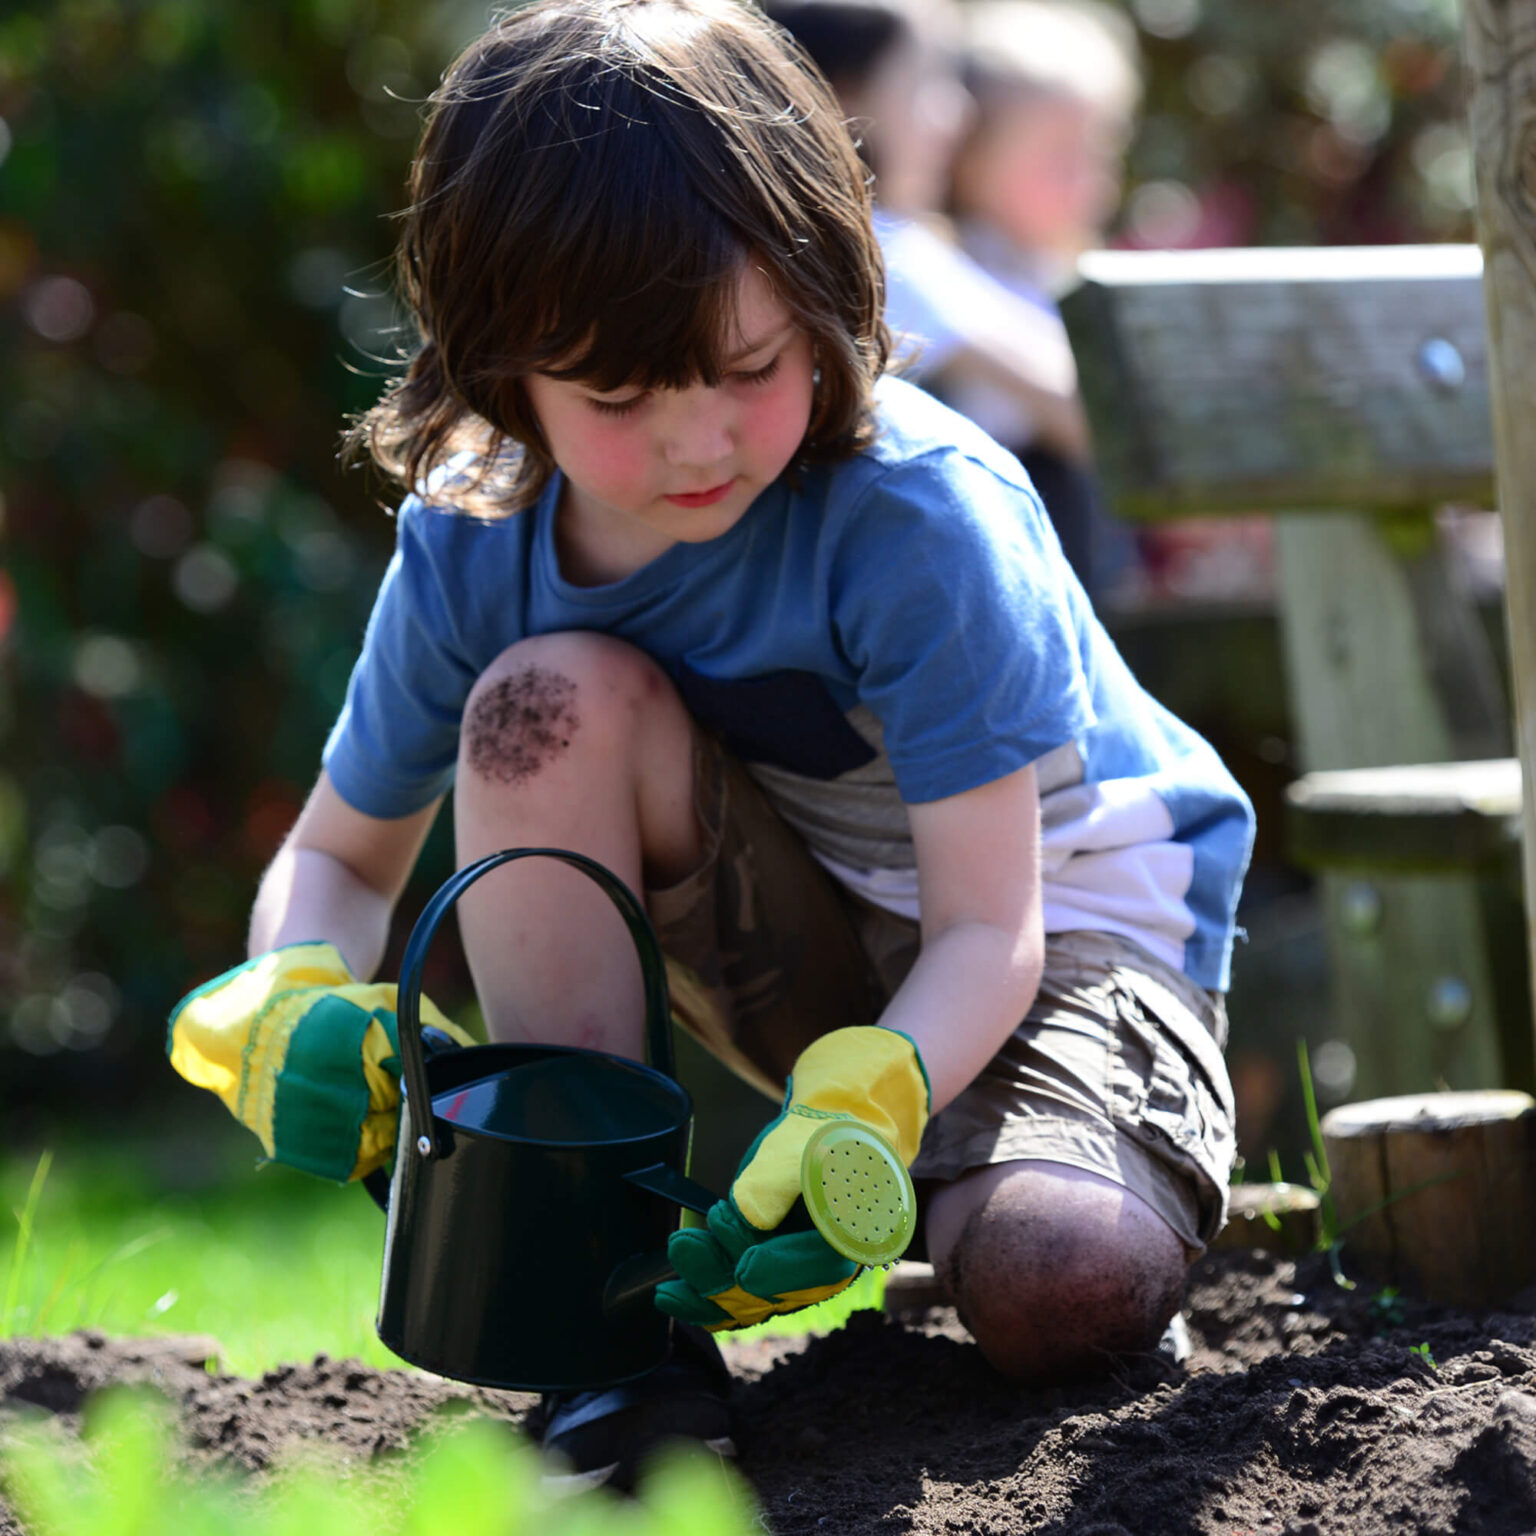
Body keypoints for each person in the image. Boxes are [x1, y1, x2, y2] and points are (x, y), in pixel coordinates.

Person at [169, 0, 1253, 1492]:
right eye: (616, 399)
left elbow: (990, 926)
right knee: (537, 702)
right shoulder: (481, 541)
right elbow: (339, 861)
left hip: (1066, 931)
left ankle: (1062, 1183)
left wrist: (866, 1102)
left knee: (1055, 1283)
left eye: (750, 367)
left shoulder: (914, 519)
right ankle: (601, 1330)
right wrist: (291, 992)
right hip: (821, 931)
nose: (698, 443)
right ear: (503, 374)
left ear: (826, 293)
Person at [762, 0, 1106, 595]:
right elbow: (1088, 409)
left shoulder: (889, 243)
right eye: (927, 84)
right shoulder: (879, 255)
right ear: (846, 101)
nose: (957, 115)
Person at [947, 0, 1142, 593]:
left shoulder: (1069, 270)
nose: (1091, 179)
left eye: (1100, 153)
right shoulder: (959, 273)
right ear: (971, 159)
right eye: (1059, 158)